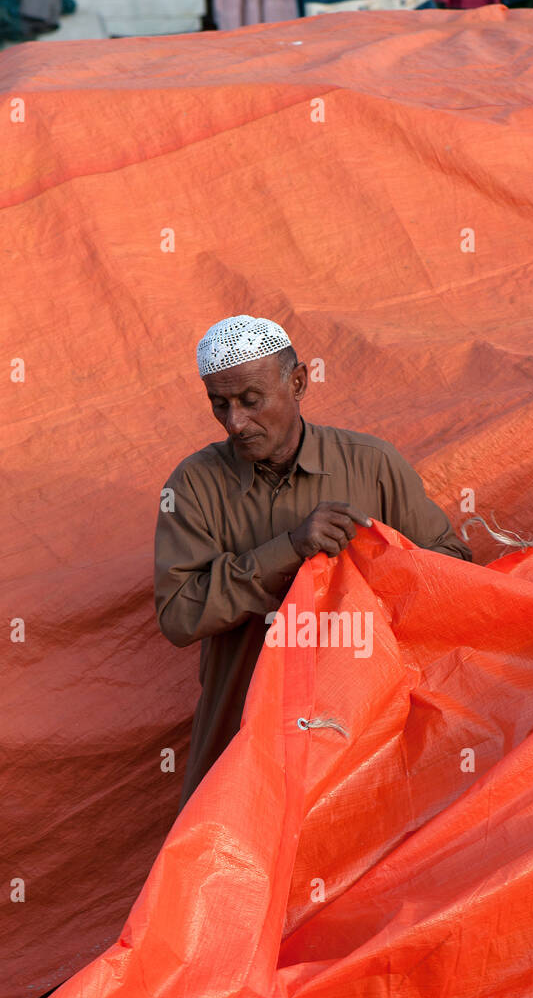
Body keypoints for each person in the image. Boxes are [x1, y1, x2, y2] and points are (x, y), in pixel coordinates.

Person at [154, 314, 472, 809]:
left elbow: (451, 573)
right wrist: (290, 550)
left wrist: (372, 569)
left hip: (367, 737)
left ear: (298, 382)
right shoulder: (193, 486)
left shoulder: (373, 464)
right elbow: (178, 614)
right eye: (220, 405)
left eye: (250, 400)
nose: (235, 422)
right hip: (244, 737)